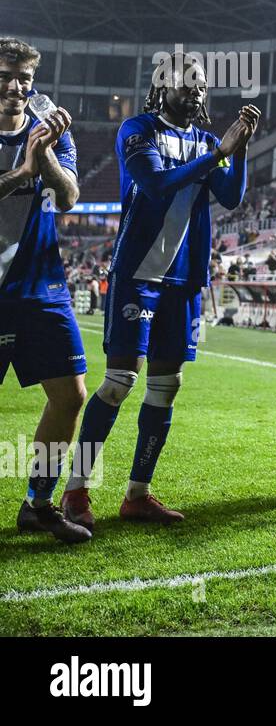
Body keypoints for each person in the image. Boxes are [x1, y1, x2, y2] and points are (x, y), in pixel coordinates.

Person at [62, 59, 259, 529]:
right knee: (119, 382)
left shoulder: (208, 141)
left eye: (202, 88)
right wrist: (217, 156)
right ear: (160, 89)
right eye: (185, 86)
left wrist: (240, 149)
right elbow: (154, 185)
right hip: (139, 275)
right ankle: (75, 490)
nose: (195, 94)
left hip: (185, 279)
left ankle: (137, 494)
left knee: (167, 385)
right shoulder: (138, 129)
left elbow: (230, 196)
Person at [0, 39, 90, 544]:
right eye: (4, 76)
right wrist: (22, 173)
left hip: (41, 287)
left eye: (24, 79)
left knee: (70, 394)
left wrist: (47, 155)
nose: (15, 88)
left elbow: (68, 197)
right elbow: (22, 181)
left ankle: (37, 504)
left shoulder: (48, 127)